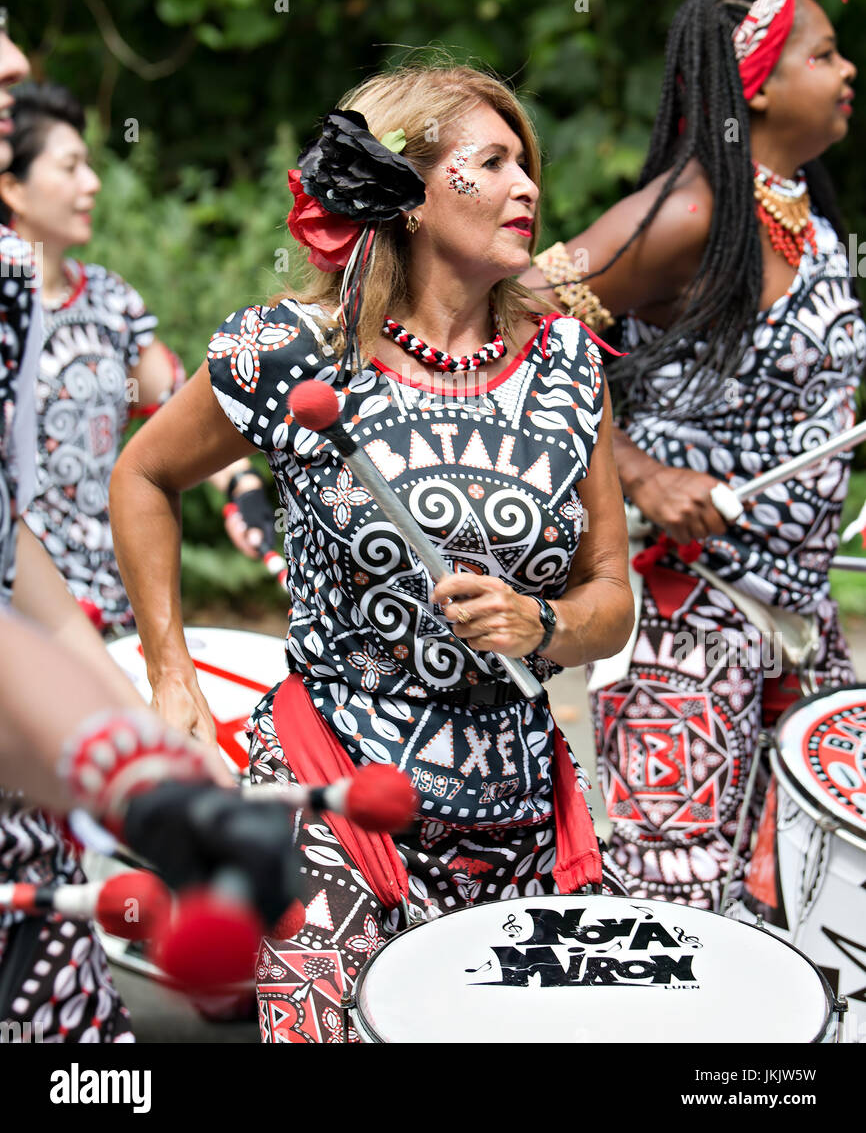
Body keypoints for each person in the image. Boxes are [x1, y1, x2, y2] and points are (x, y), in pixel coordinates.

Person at [110, 62, 634, 1042]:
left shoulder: (567, 365)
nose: (527, 186)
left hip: (515, 807)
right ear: (410, 196)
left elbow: (612, 596)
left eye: (526, 162)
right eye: (491, 162)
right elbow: (143, 477)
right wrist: (170, 672)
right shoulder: (292, 352)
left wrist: (545, 623)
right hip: (330, 786)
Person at [522, 0, 865, 910]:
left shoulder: (806, 214)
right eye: (826, 54)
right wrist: (634, 472)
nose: (847, 72)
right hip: (694, 622)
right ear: (755, 86)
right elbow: (522, 321)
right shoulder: (689, 214)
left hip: (802, 623)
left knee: (807, 902)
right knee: (677, 920)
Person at [0, 81, 274, 636]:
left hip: (114, 604)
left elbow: (181, 410)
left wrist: (241, 488)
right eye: (71, 167)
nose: (93, 184)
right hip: (21, 610)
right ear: (15, 190)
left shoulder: (109, 300)